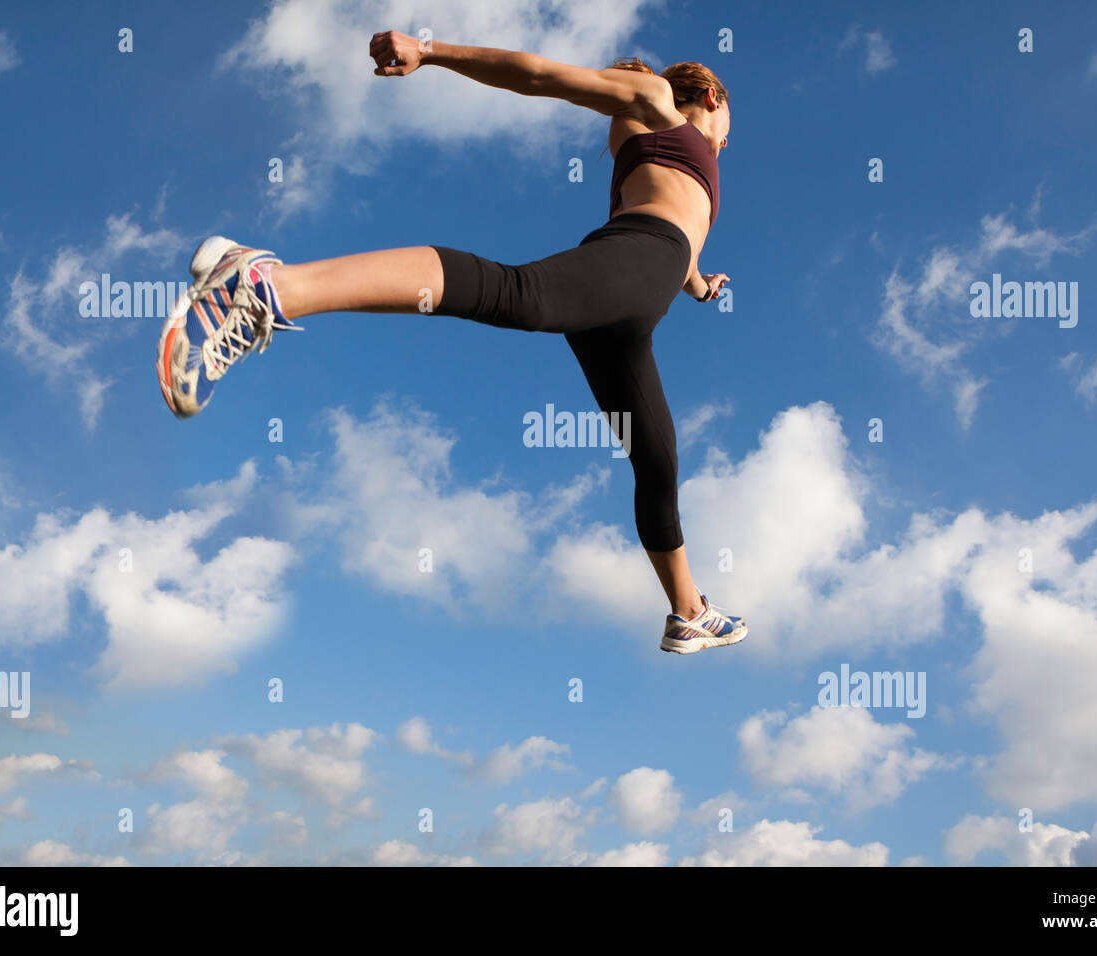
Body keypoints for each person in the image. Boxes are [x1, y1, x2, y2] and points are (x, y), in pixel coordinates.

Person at [156, 31, 746, 654]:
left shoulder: (668, 155)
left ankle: (688, 609)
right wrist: (432, 52)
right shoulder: (654, 103)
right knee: (517, 293)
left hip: (634, 305)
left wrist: (701, 286)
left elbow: (684, 245)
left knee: (657, 460)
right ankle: (269, 285)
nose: (727, 143)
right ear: (710, 96)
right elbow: (538, 74)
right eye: (727, 128)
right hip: (633, 261)